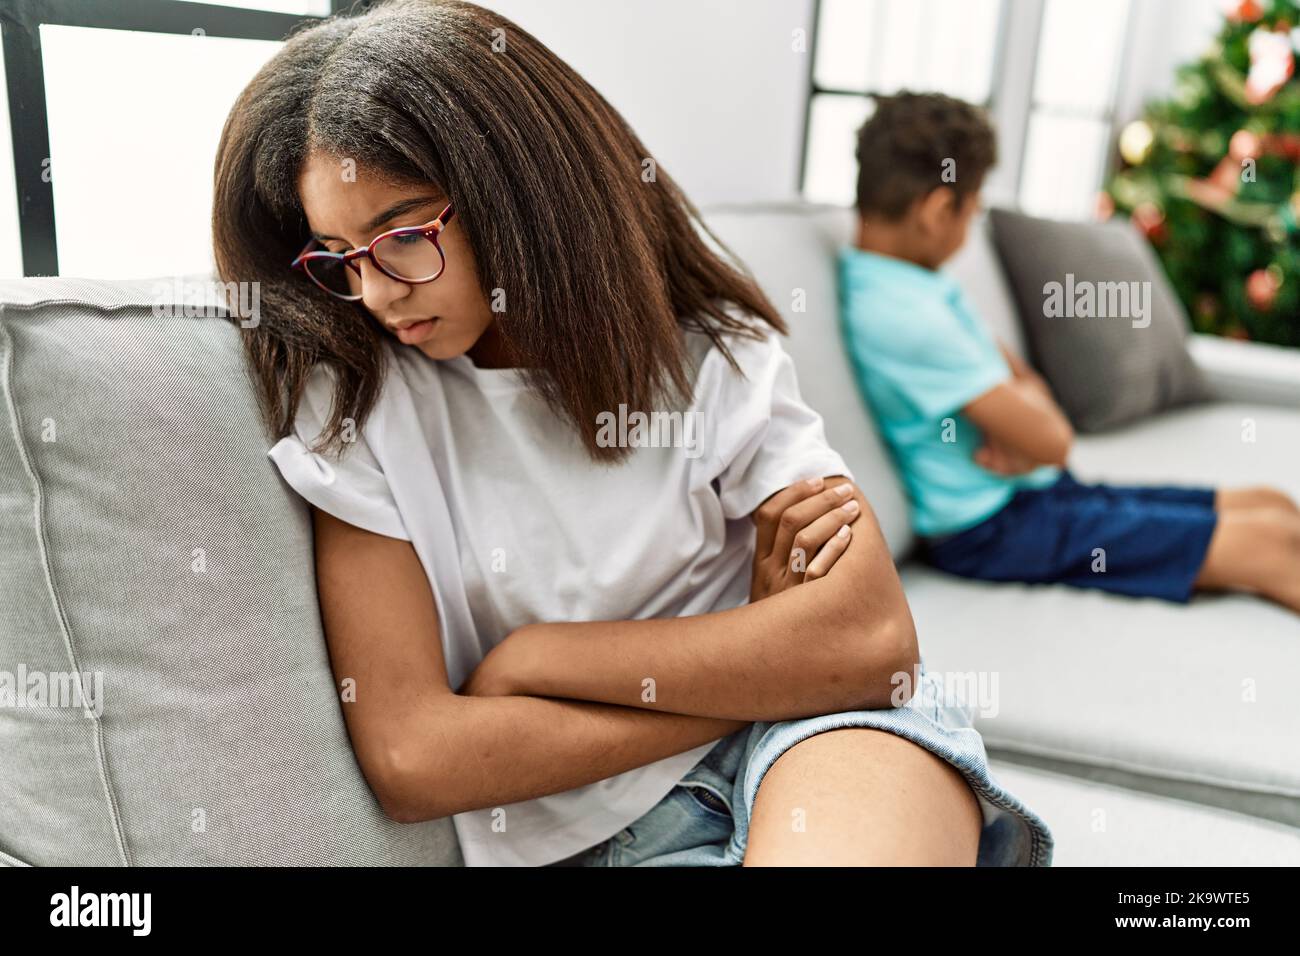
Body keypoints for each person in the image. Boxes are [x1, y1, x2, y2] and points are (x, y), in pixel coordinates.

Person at [212, 1, 1052, 867]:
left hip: (821, 735)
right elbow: (413, 756)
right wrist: (764, 665)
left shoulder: (708, 349)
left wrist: (538, 660)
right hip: (607, 835)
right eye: (339, 255)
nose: (380, 292)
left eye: (402, 235)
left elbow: (869, 646)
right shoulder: (356, 401)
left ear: (518, 189)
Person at [839, 90, 1300, 612]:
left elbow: (1026, 403)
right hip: (993, 530)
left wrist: (1024, 410)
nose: (971, 225)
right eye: (972, 210)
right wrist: (1028, 413)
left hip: (1034, 493)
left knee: (1273, 505)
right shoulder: (903, 315)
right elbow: (1054, 439)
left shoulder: (912, 281)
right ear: (939, 208)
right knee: (1265, 543)